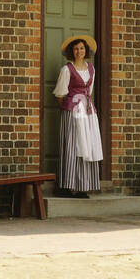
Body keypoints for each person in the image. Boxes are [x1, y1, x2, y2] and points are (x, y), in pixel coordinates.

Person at [53, 35, 103, 198]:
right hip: (72, 113)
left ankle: (83, 186)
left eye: (81, 48)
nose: (79, 51)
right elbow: (60, 94)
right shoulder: (67, 70)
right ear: (71, 51)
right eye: (75, 49)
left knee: (87, 146)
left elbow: (90, 91)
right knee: (72, 147)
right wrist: (69, 108)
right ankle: (67, 186)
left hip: (88, 113)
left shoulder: (91, 69)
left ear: (86, 50)